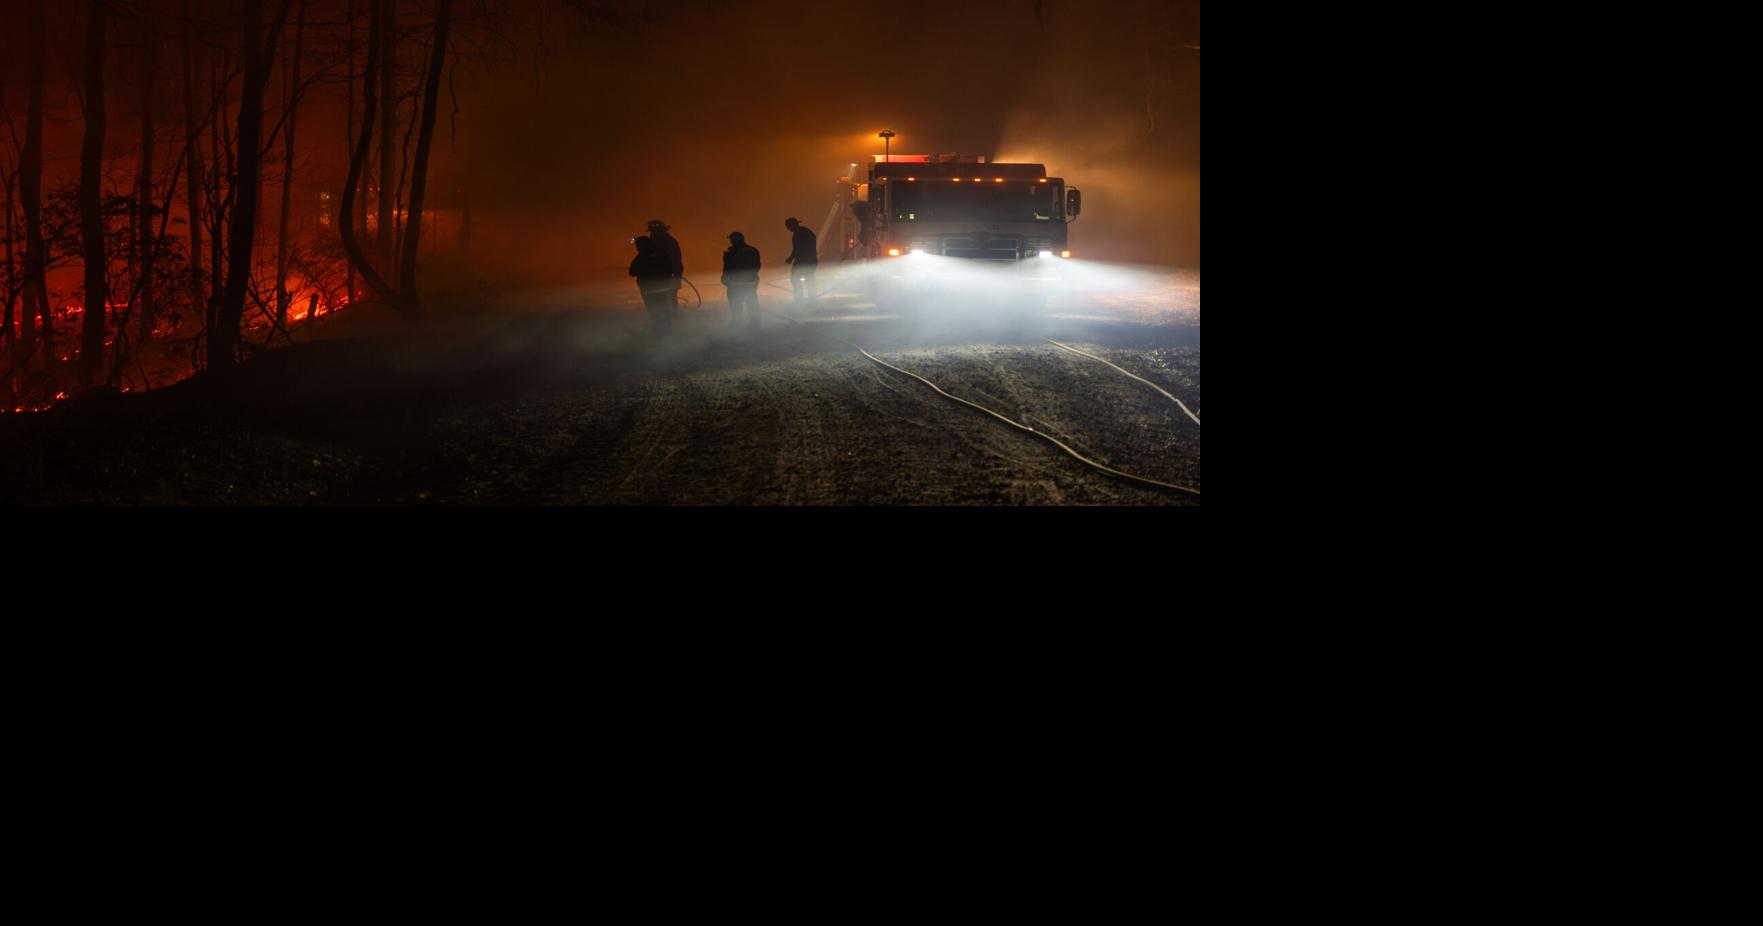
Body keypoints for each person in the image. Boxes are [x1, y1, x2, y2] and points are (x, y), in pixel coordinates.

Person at [629, 235, 676, 336]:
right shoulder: (663, 253)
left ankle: (659, 333)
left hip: (649, 291)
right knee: (664, 310)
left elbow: (632, 272)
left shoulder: (642, 256)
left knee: (654, 312)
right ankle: (668, 332)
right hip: (664, 288)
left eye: (638, 245)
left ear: (642, 245)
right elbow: (670, 268)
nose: (637, 248)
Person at [721, 231, 762, 330]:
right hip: (751, 281)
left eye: (732, 239)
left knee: (735, 303)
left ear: (737, 239)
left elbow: (729, 267)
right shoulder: (752, 250)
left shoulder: (732, 252)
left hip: (736, 282)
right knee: (752, 301)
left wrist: (724, 277)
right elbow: (757, 265)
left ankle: (736, 324)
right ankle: (755, 324)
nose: (730, 241)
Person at [647, 219, 683, 317]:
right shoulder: (651, 244)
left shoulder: (669, 243)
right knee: (659, 302)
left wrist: (677, 276)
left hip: (667, 277)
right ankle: (664, 321)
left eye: (655, 232)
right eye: (652, 232)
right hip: (656, 278)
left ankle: (669, 321)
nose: (653, 234)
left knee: (669, 300)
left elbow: (676, 259)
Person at [783, 217, 818, 308]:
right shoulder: (806, 231)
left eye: (788, 226)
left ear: (792, 225)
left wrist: (790, 259)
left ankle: (799, 302)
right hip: (811, 259)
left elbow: (797, 249)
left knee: (795, 280)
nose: (787, 228)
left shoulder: (798, 234)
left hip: (802, 261)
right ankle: (812, 302)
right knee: (810, 280)